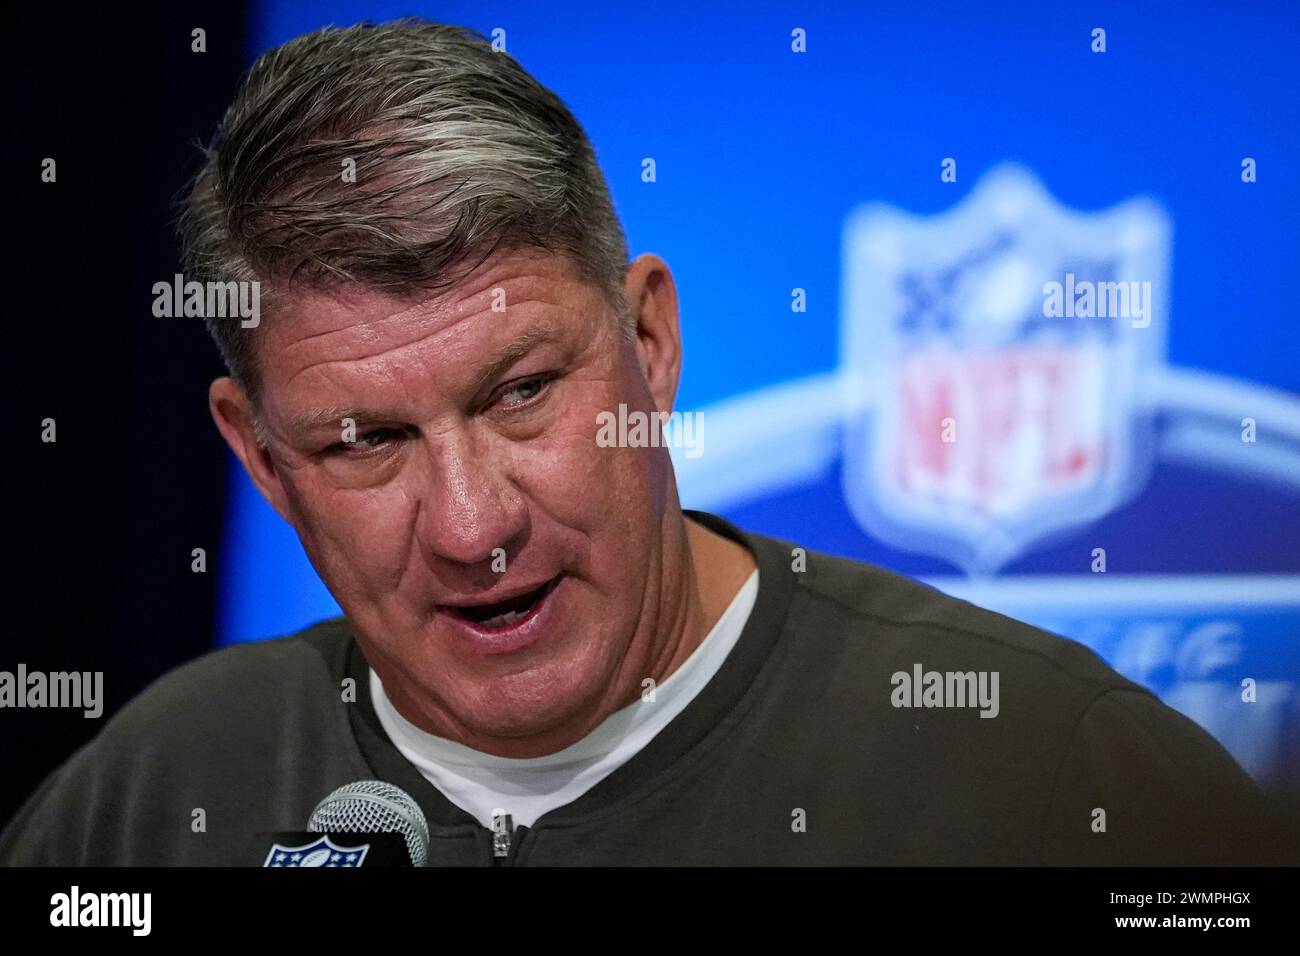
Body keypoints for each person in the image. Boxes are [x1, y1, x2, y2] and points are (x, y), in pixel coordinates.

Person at [0, 18, 1278, 866]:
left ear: (650, 344)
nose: (470, 524)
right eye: (365, 440)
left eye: (520, 394)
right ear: (263, 460)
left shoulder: (1061, 777)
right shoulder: (152, 801)